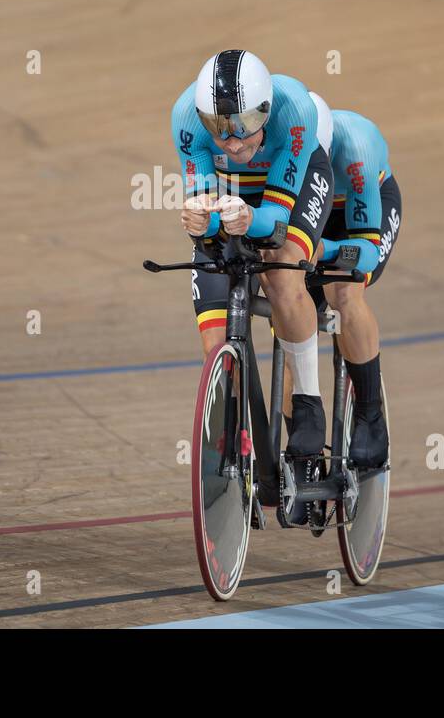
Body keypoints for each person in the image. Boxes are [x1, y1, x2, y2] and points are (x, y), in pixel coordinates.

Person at [172, 50, 334, 520]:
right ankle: (236, 442)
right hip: (234, 189)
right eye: (219, 128)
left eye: (243, 126)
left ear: (265, 112)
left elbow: (278, 219)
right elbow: (201, 201)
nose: (232, 140)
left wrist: (252, 218)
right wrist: (197, 219)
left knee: (282, 268)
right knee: (215, 337)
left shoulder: (296, 113)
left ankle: (306, 414)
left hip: (293, 184)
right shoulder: (187, 117)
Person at [309, 104, 401, 469]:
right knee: (289, 308)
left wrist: (326, 250)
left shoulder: (357, 151)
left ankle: (369, 414)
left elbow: (366, 254)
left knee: (342, 290)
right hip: (314, 210)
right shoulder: (285, 146)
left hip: (361, 213)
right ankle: (305, 453)